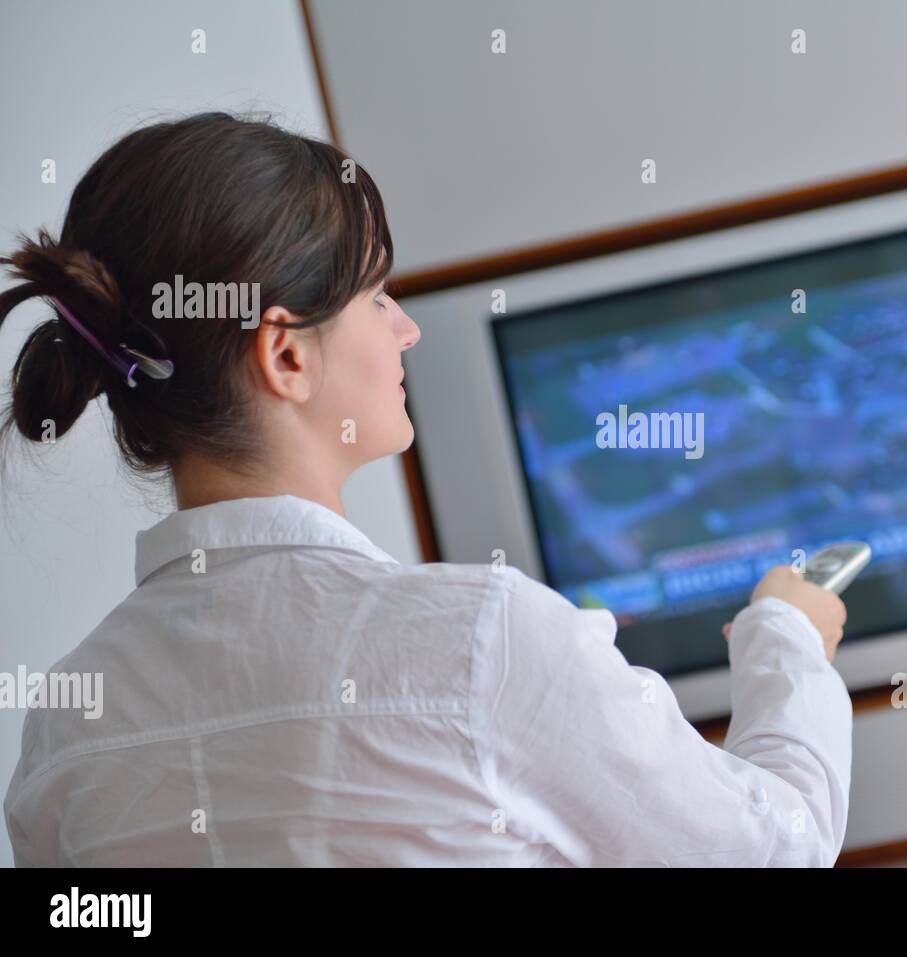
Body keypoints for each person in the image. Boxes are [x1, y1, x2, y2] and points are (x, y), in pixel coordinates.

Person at [0, 112, 853, 867]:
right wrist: (787, 640)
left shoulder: (65, 730)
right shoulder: (485, 641)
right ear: (286, 356)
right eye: (376, 295)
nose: (406, 327)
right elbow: (775, 846)